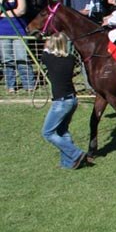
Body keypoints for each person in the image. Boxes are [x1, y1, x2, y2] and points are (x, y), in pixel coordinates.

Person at [40, 34, 91, 170]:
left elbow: (45, 50)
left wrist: (46, 40)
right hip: (72, 100)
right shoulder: (70, 59)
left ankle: (76, 154)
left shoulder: (48, 58)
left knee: (47, 133)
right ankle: (68, 163)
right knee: (62, 131)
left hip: (61, 102)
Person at [0, 0, 34, 93]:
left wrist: (4, 13)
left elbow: (21, 10)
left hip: (18, 30)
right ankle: (11, 85)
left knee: (22, 57)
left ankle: (29, 84)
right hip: (3, 31)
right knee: (7, 59)